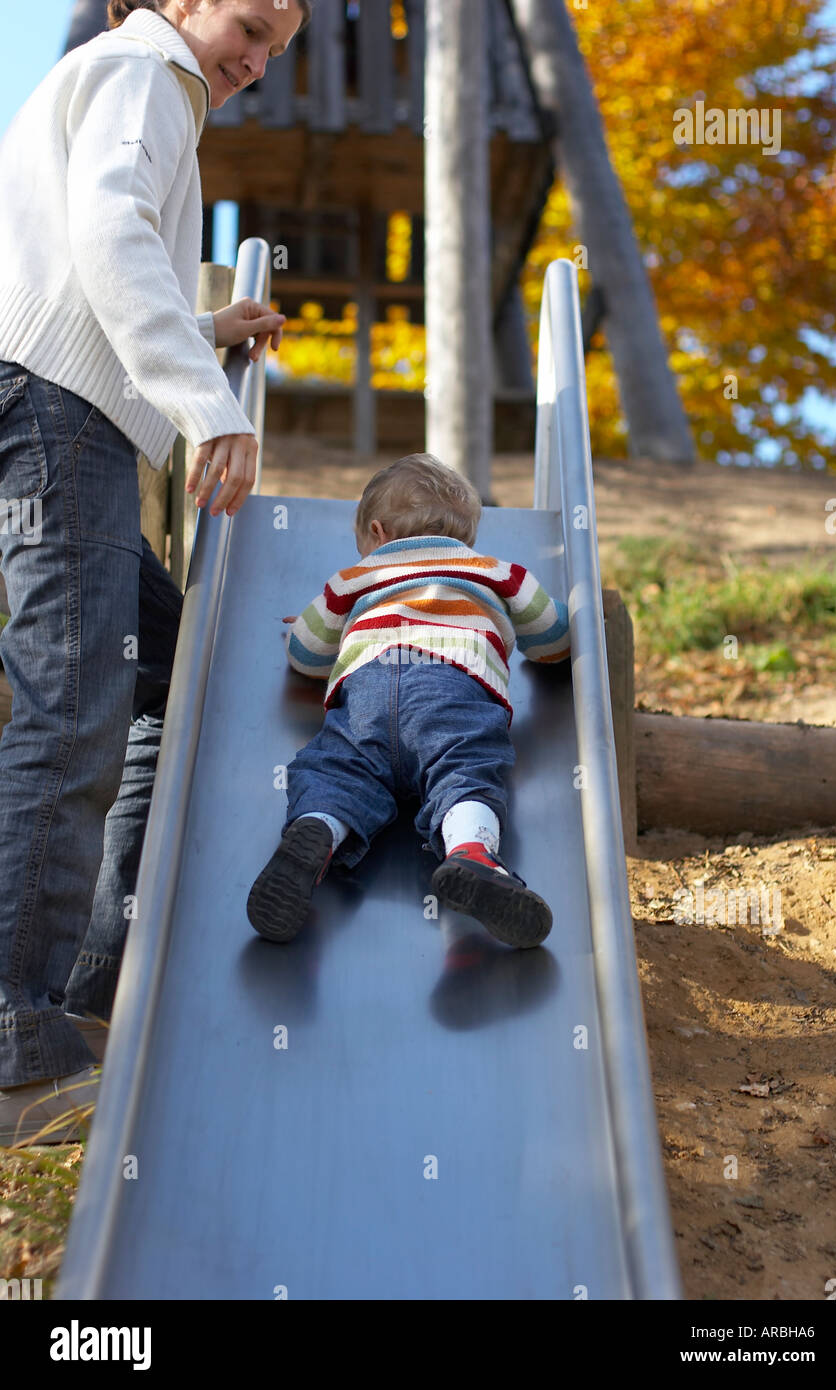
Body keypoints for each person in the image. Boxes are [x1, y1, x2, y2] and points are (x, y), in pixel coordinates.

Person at [0, 0, 308, 1146]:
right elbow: (112, 231)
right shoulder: (150, 70)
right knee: (71, 702)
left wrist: (204, 320)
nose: (258, 59)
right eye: (250, 22)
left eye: (277, 46)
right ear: (182, 3)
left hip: (49, 401)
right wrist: (206, 404)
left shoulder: (122, 75)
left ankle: (87, 986)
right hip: (56, 415)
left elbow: (85, 251)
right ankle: (13, 1046)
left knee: (165, 672)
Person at [246, 453, 571, 952]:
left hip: (369, 689)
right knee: (464, 769)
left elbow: (306, 656)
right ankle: (470, 853)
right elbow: (552, 638)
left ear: (376, 532)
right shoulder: (494, 571)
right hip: (454, 684)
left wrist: (311, 636)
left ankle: (316, 830)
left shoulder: (356, 577)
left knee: (337, 768)